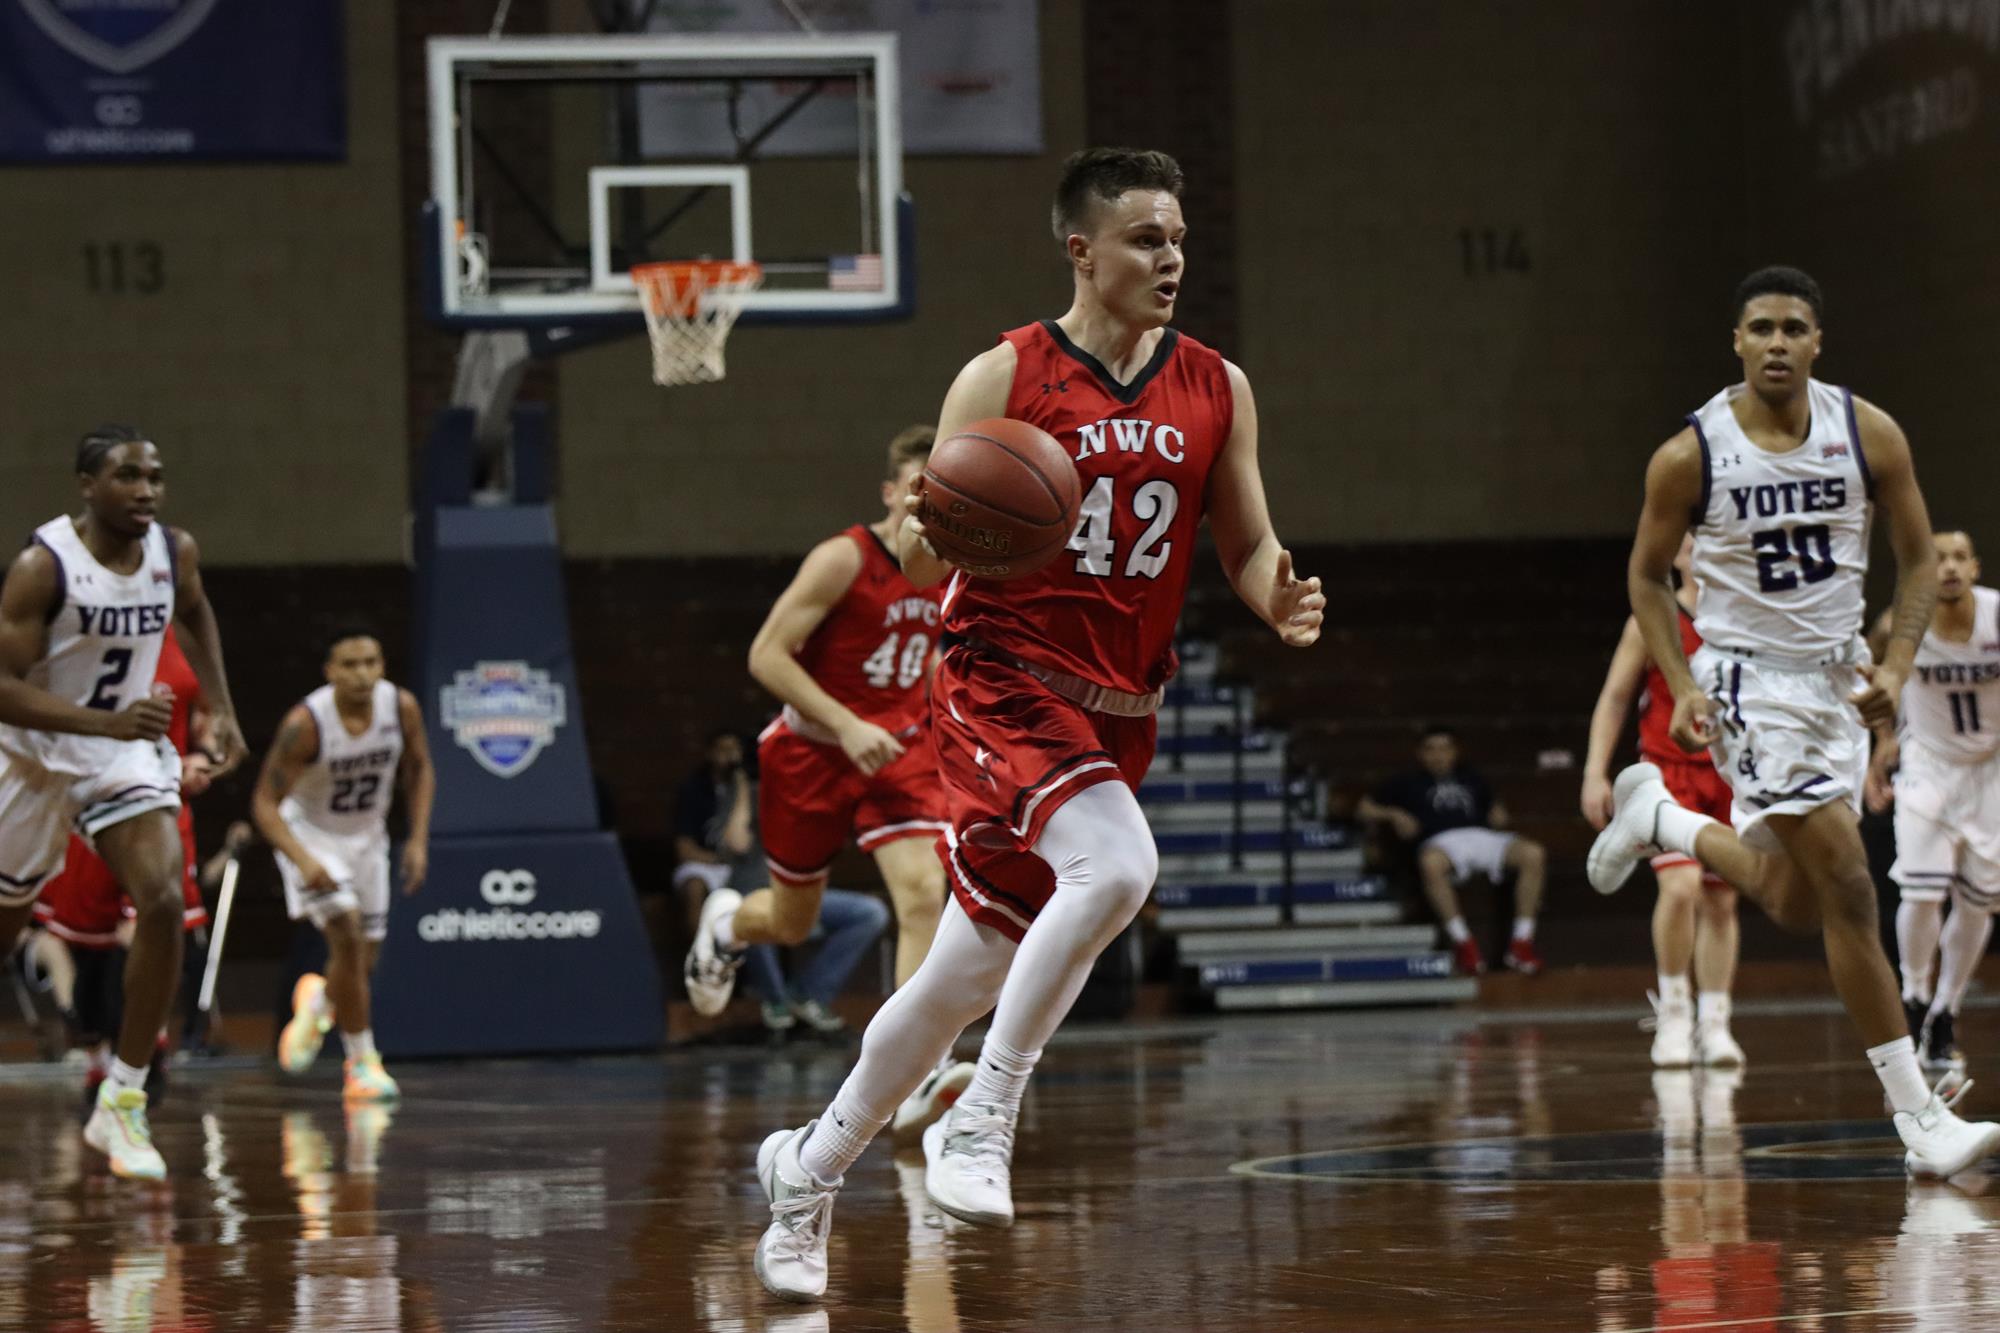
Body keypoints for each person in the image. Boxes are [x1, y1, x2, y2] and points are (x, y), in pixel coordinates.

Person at [749, 147, 1324, 1303]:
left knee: (961, 973)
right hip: (1001, 677)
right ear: (1081, 250)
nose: (1169, 258)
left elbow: (1245, 539)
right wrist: (948, 525)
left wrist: (1274, 591)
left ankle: (805, 1172)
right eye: (1143, 240)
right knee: (1118, 867)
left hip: (1119, 709)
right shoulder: (1001, 375)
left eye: (1176, 239)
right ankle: (984, 1112)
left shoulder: (1218, 384)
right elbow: (922, 543)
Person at [1588, 266, 2000, 1177]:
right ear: (1737, 341)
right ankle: (1919, 1116)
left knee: (1794, 898)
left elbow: (1918, 558)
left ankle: (1662, 818)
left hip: (1836, 684)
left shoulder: (1869, 433)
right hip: (1746, 685)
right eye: (1761, 327)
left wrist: (1895, 666)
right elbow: (1646, 577)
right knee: (1853, 885)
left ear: (1819, 341)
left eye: (1794, 327)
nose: (1777, 342)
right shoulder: (1689, 454)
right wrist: (1683, 681)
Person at [684, 426, 976, 1130]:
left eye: (937, 485)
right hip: (815, 747)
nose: (923, 495)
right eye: (915, 483)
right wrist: (848, 723)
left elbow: (920, 654)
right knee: (793, 921)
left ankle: (915, 1070)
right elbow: (767, 656)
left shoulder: (955, 565)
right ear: (889, 491)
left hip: (899, 750)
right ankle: (727, 923)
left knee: (920, 895)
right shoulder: (844, 557)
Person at [0, 423, 247, 1179]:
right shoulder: (44, 569)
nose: (145, 490)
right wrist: (102, 720)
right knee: (8, 919)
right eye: (126, 476)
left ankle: (125, 1097)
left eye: (154, 477)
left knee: (164, 899)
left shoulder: (174, 553)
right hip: (33, 753)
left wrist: (225, 707)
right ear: (85, 483)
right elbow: (4, 691)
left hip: (121, 756)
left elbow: (197, 609)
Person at [1583, 535, 1744, 1066]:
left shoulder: (1745, 616)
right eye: (1692, 541)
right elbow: (1614, 697)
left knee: (1722, 900)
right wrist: (1594, 772)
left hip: (1728, 772)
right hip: (1667, 766)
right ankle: (1675, 1012)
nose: (1701, 549)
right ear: (1674, 552)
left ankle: (1715, 1022)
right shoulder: (1652, 618)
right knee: (1680, 887)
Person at [256, 626, 434, 1104]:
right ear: (330, 671)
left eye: (372, 663)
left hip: (367, 838)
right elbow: (264, 803)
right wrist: (301, 858)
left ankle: (319, 1001)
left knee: (363, 961)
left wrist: (417, 840)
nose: (362, 675)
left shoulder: (401, 708)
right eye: (350, 665)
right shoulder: (306, 723)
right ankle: (361, 1063)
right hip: (312, 836)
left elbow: (419, 768)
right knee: (348, 936)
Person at [1865, 529, 2000, 1079]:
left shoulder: (1997, 615)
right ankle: (1915, 992)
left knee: (1979, 902)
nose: (1947, 567)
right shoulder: (1899, 622)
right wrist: (1881, 745)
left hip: (1989, 769)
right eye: (1938, 558)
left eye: (1958, 558)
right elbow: (1869, 678)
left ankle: (1946, 1010)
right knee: (1920, 892)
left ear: (1975, 567)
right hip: (1926, 766)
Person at [1357, 728, 1547, 977]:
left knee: (1533, 853)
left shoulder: (1473, 778)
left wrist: (1499, 813)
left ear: (1455, 752)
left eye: (1444, 748)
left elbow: (1497, 813)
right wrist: (1393, 814)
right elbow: (1363, 809)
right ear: (1420, 754)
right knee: (1430, 864)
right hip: (1440, 841)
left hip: (1480, 836)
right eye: (1431, 749)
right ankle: (1463, 943)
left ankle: (1522, 942)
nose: (1438, 755)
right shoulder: (1405, 782)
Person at [742, 886, 891, 1038]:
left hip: (784, 890)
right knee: (753, 911)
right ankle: (776, 1000)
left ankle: (808, 996)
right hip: (740, 899)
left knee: (871, 913)